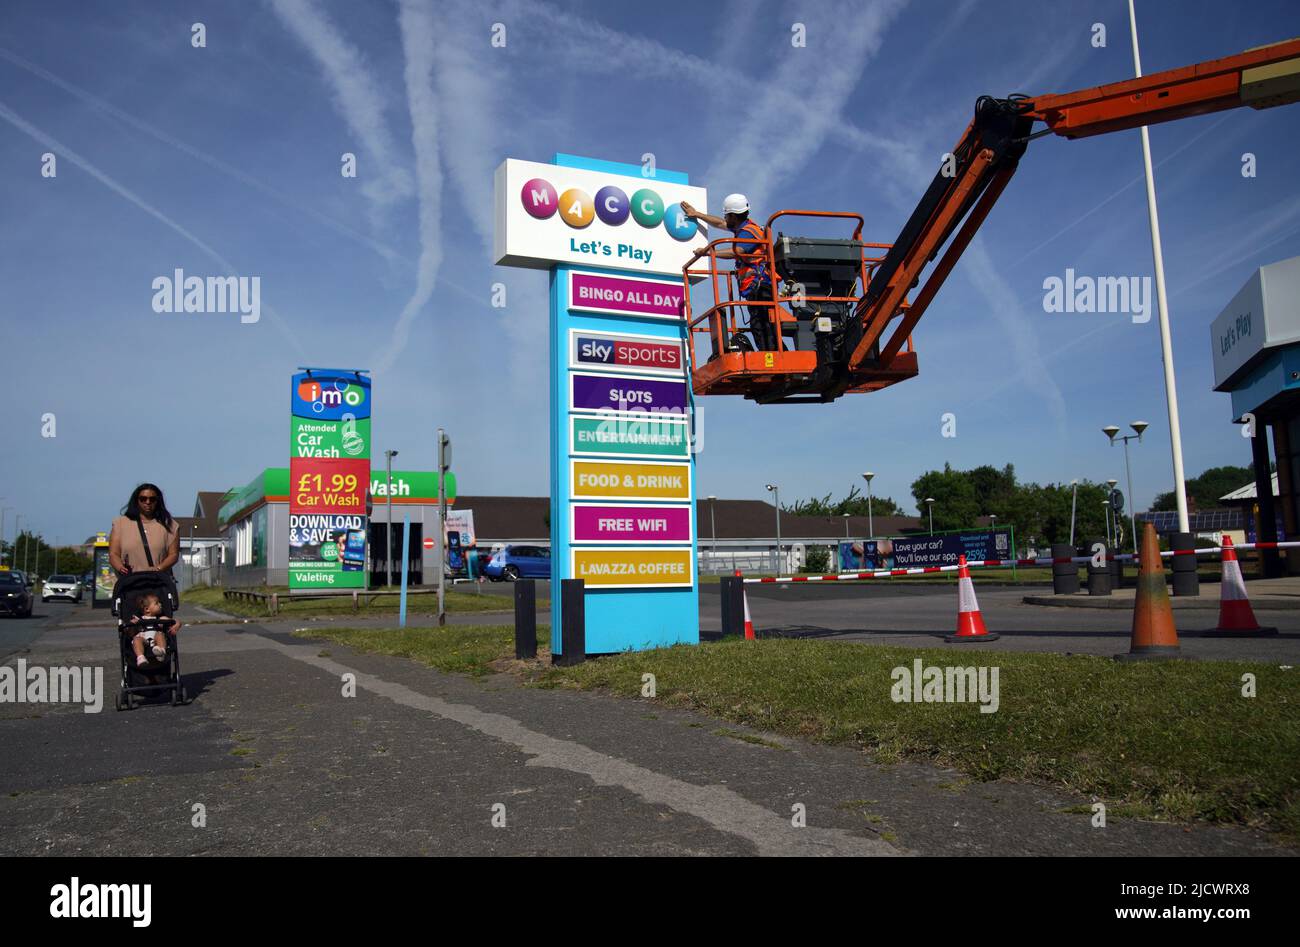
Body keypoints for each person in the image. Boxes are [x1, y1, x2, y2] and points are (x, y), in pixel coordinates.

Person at [679, 193, 778, 351]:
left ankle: (773, 358)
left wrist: (708, 252)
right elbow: (719, 223)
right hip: (756, 286)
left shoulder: (749, 232)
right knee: (762, 325)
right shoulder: (743, 226)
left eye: (727, 215)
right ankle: (773, 355)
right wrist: (696, 213)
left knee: (763, 326)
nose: (725, 218)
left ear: (733, 215)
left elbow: (737, 251)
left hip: (761, 286)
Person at [109, 483, 180, 577]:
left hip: (157, 582)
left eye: (152, 499)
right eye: (143, 499)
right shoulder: (120, 524)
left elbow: (174, 555)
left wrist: (159, 569)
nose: (147, 502)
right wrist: (121, 568)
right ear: (136, 501)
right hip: (129, 583)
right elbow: (113, 554)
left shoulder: (170, 525)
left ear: (158, 501)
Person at [127, 592, 179, 667]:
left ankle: (161, 651)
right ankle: (140, 657)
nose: (160, 604)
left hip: (156, 642)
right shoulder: (138, 620)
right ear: (147, 609)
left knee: (160, 634)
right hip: (144, 641)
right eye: (157, 603)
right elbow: (130, 633)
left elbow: (173, 621)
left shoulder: (161, 619)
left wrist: (177, 623)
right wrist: (131, 625)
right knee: (136, 639)